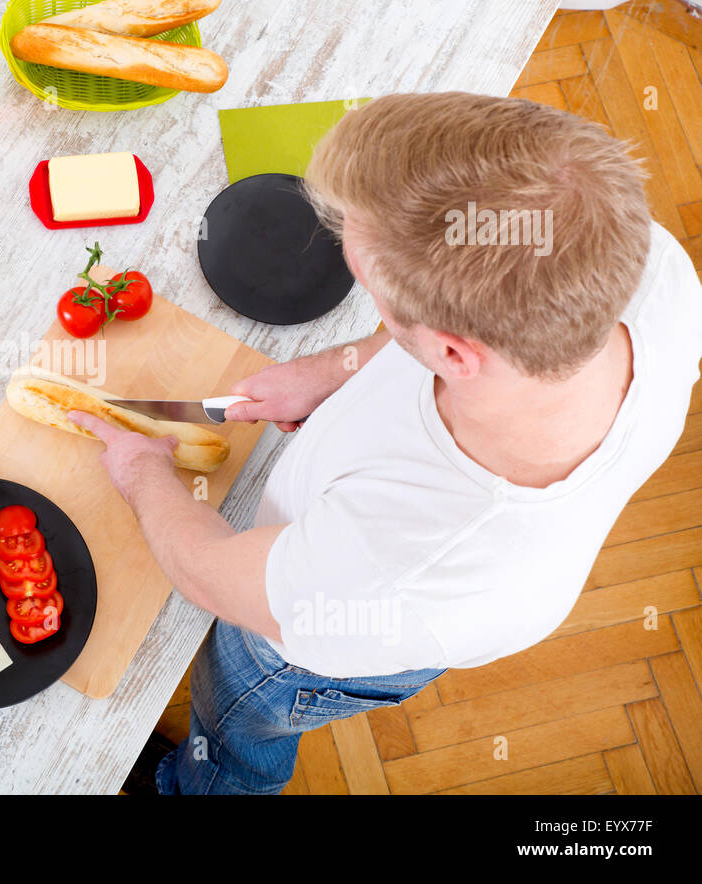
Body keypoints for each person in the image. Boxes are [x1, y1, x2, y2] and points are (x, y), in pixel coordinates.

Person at [67, 92, 702, 795]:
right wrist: (329, 371)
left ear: (454, 354)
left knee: (236, 729)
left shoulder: (404, 560)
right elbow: (433, 332)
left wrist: (143, 472)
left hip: (297, 652)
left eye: (374, 289)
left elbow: (209, 574)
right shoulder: (637, 260)